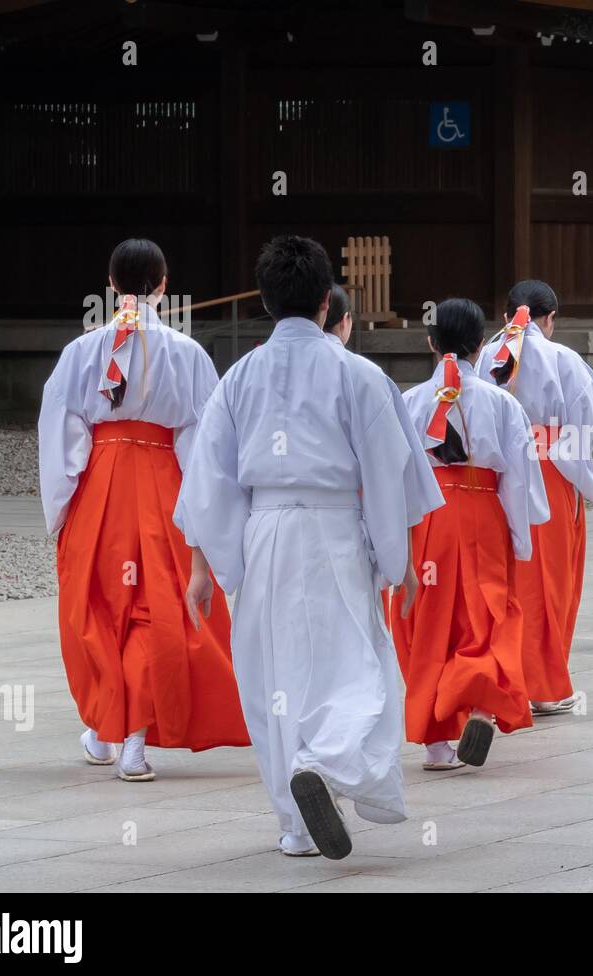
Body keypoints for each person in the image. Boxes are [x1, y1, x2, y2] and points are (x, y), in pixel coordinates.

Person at [175, 234, 443, 860]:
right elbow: (386, 471)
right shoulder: (359, 374)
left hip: (266, 533)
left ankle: (295, 821)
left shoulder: (238, 377)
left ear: (266, 302)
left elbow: (207, 482)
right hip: (337, 532)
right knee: (352, 661)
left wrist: (207, 568)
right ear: (328, 301)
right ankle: (321, 762)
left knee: (273, 671)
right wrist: (395, 559)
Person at [38, 238, 248, 783]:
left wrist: (60, 513)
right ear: (163, 284)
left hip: (100, 485)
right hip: (162, 483)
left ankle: (114, 730)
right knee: (153, 608)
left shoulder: (81, 352)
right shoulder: (188, 353)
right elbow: (204, 442)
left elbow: (62, 438)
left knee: (101, 608)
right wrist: (205, 517)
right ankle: (127, 737)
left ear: (110, 284)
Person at [392, 298, 548, 771]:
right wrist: (521, 536)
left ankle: (437, 743)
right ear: (481, 345)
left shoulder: (411, 401)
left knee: (428, 621)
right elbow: (519, 476)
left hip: (429, 517)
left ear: (429, 341)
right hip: (483, 510)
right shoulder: (502, 403)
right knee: (489, 611)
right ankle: (479, 700)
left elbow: (393, 473)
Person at [475, 280, 593, 717]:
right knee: (550, 579)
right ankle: (545, 685)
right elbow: (586, 419)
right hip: (549, 467)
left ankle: (501, 680)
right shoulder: (562, 358)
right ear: (550, 319)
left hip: (496, 469)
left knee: (504, 577)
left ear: (506, 314)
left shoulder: (486, 359)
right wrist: (576, 471)